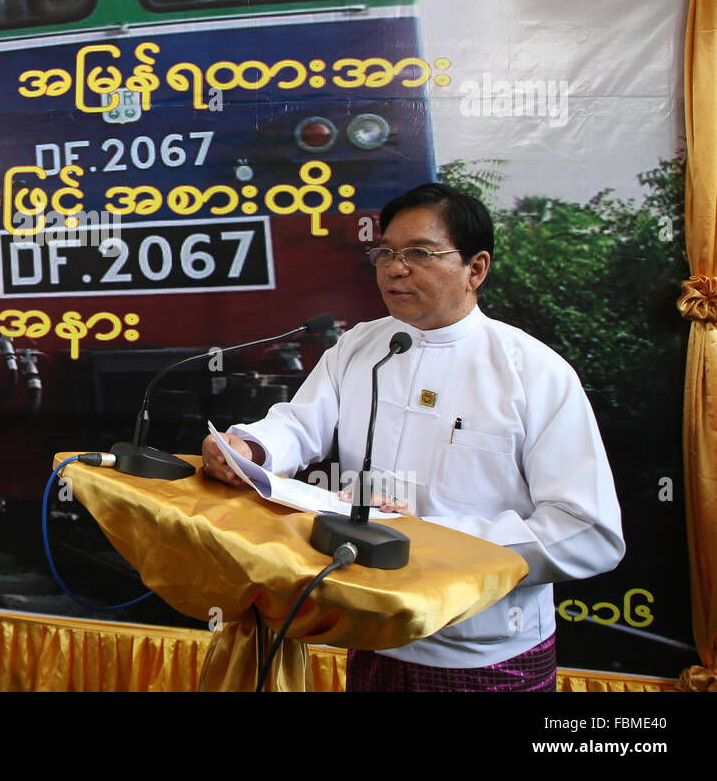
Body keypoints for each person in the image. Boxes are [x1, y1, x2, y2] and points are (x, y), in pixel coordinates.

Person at [202, 183, 624, 691]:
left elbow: (588, 532)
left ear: (475, 269)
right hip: (373, 626)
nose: (394, 269)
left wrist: (431, 537)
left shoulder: (533, 372)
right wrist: (250, 448)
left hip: (483, 651)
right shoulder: (360, 345)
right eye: (385, 253)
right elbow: (298, 423)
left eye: (420, 254)